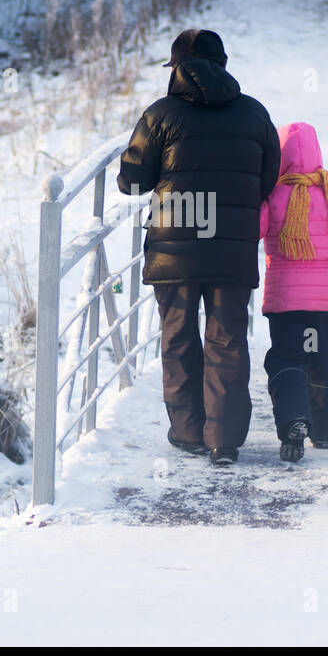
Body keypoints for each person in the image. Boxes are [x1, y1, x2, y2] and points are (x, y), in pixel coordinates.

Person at [118, 29, 280, 466]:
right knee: (227, 340)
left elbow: (132, 180)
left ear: (178, 71)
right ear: (223, 64)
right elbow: (267, 181)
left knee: (178, 338)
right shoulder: (255, 114)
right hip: (232, 247)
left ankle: (188, 432)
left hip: (175, 246)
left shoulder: (160, 114)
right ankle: (223, 440)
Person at [259, 121, 328, 462]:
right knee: (323, 358)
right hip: (325, 304)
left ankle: (295, 418)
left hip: (285, 303)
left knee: (288, 359)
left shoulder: (273, 194)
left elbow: (251, 232)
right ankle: (323, 431)